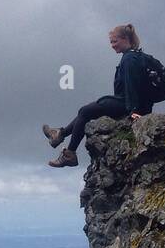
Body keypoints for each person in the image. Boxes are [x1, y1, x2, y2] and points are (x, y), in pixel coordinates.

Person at [43, 23, 152, 167]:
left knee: (85, 111)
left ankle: (68, 151)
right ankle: (59, 135)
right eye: (111, 42)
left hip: (130, 105)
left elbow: (132, 87)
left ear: (125, 39)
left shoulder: (130, 59)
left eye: (115, 41)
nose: (112, 45)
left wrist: (133, 115)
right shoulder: (134, 56)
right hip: (131, 103)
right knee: (87, 110)